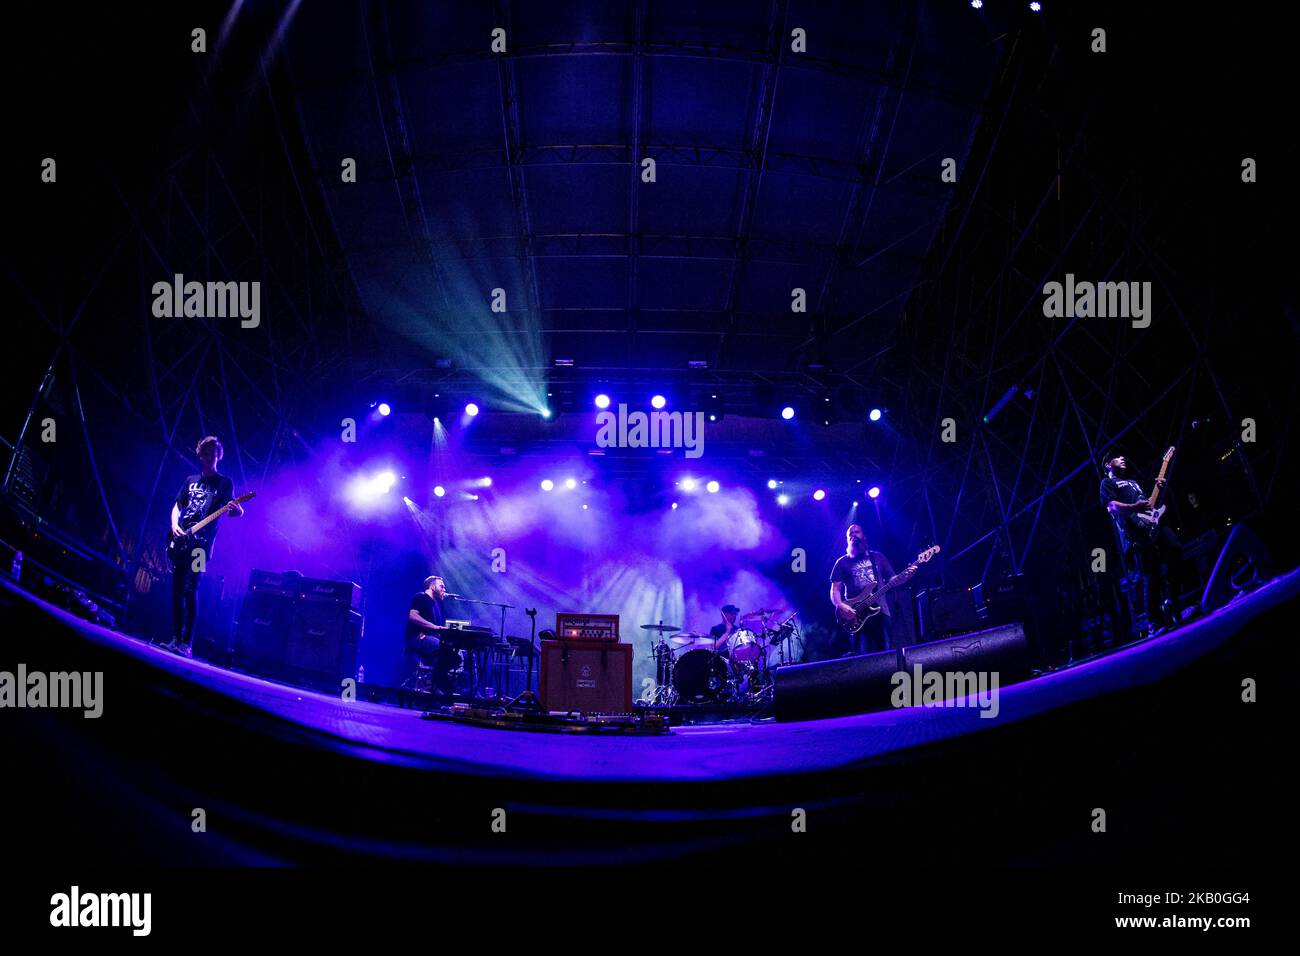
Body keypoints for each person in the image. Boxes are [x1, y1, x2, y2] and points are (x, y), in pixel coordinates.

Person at [167, 436, 242, 657]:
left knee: (191, 590)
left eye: (213, 453)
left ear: (218, 456)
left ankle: (186, 643)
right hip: (181, 540)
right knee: (176, 591)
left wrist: (236, 510)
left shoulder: (224, 483)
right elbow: (177, 506)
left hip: (202, 547)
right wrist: (174, 526)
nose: (209, 457)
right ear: (200, 454)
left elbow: (235, 511)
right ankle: (174, 638)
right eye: (205, 453)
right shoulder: (190, 480)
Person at [1099, 451, 1187, 633]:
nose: (1123, 458)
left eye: (1124, 456)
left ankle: (1172, 601)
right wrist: (1135, 507)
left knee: (1176, 550)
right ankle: (1154, 622)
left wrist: (1157, 489)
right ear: (1108, 465)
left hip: (1154, 524)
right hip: (1135, 532)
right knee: (1151, 574)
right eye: (1117, 457)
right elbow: (1112, 507)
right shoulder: (1107, 483)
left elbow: (1148, 505)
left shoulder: (1134, 483)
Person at [829, 524, 896, 655]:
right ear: (847, 540)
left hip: (881, 612)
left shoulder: (878, 557)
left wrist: (906, 575)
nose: (854, 536)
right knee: (863, 659)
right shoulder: (842, 562)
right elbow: (835, 590)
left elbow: (892, 579)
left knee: (886, 656)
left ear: (863, 536)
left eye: (857, 532)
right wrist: (841, 605)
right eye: (850, 534)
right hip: (856, 616)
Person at [406, 574, 455, 695]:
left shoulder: (436, 606)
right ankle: (433, 685)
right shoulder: (421, 597)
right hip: (416, 638)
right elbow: (412, 616)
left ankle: (434, 683)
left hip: (428, 639)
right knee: (445, 650)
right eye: (442, 587)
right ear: (432, 586)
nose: (444, 590)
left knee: (455, 658)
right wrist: (435, 628)